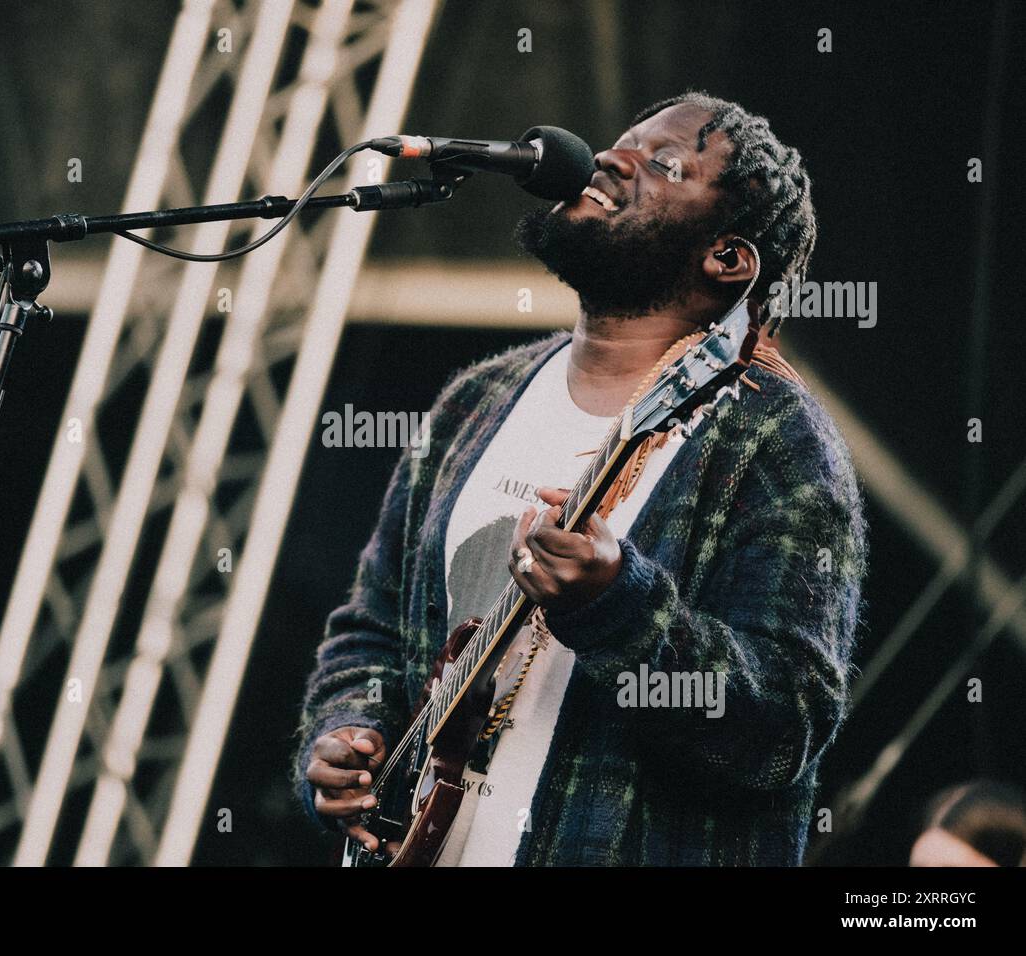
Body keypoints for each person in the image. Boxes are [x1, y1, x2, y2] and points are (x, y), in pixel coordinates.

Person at [294, 91, 866, 866]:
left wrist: (617, 605)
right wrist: (347, 734)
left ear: (727, 259)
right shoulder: (478, 399)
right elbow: (371, 626)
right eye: (619, 142)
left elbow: (782, 727)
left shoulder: (774, 442)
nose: (608, 159)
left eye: (665, 164)